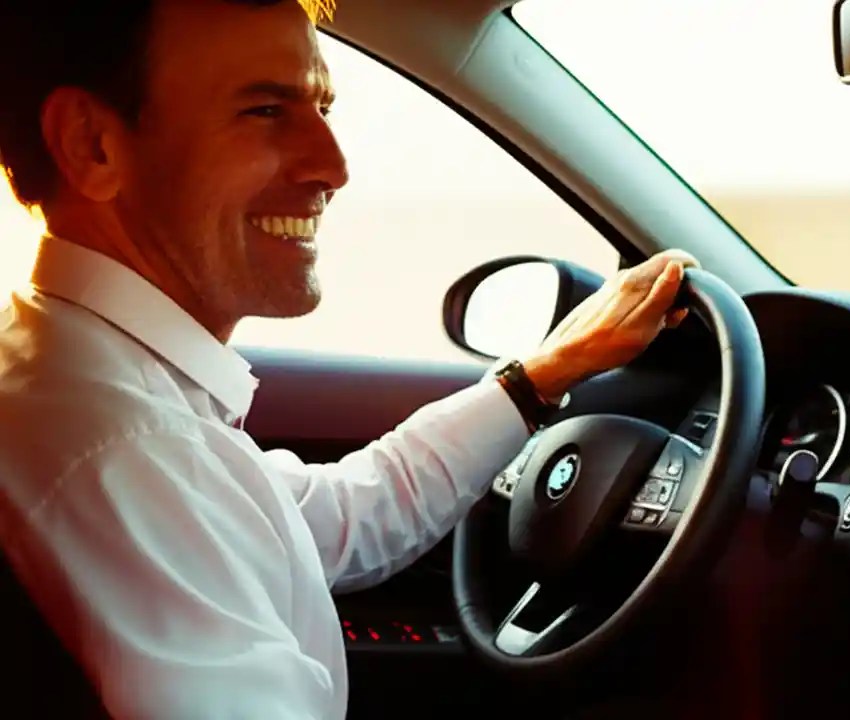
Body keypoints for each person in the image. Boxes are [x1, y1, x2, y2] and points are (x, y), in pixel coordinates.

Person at [0, 1, 697, 717]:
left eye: (322, 105)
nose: (332, 166)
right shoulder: (127, 453)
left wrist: (544, 374)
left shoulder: (76, 377)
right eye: (266, 110)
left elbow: (333, 517)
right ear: (92, 146)